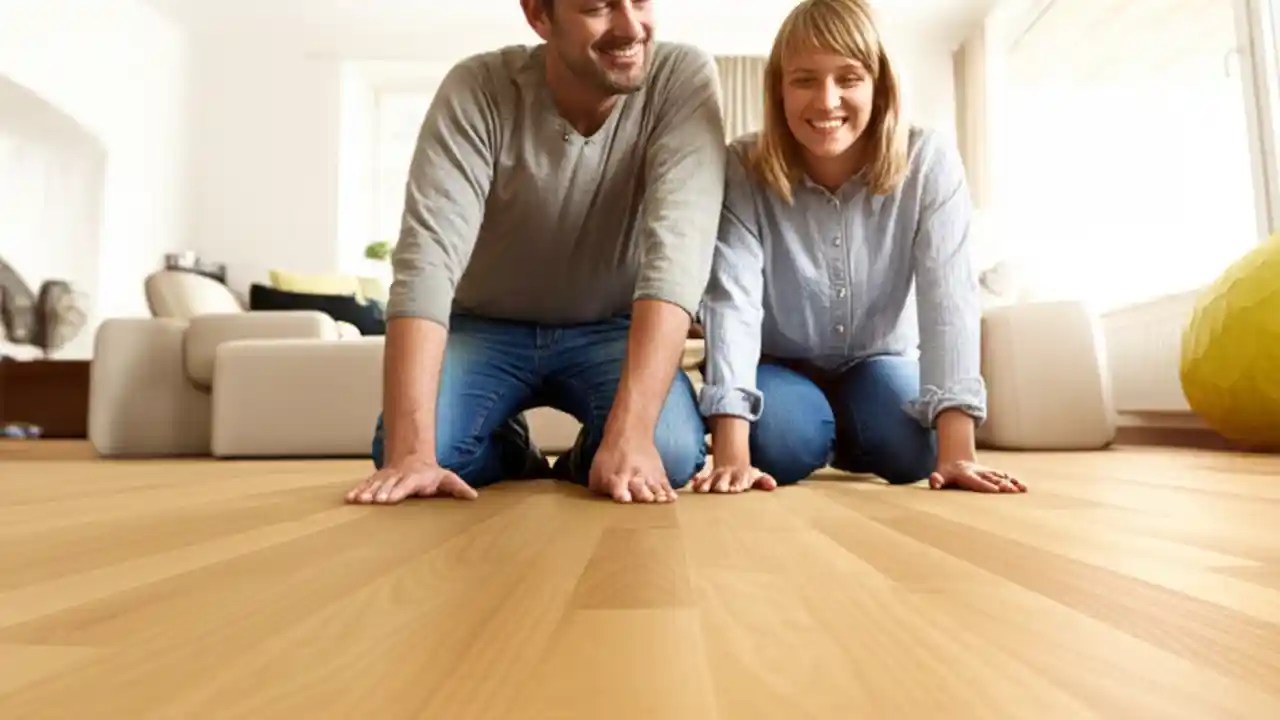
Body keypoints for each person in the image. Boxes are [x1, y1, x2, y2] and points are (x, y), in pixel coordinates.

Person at [345, 0, 726, 506]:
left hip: (610, 327)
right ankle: (511, 453)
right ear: (539, 16)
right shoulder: (476, 89)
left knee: (669, 453)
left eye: (640, 0)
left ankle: (588, 457)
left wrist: (630, 437)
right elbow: (427, 260)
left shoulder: (682, 78)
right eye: (598, 7)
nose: (631, 27)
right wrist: (411, 454)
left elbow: (678, 253)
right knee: (413, 451)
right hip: (485, 324)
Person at [692, 0, 1026, 495]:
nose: (827, 102)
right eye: (804, 79)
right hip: (778, 364)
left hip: (881, 358)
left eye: (848, 78)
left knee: (916, 450)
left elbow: (948, 299)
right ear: (779, 89)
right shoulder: (743, 165)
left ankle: (846, 432)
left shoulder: (928, 161)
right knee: (783, 443)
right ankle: (819, 432)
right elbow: (733, 303)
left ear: (880, 84)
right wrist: (732, 457)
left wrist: (957, 455)